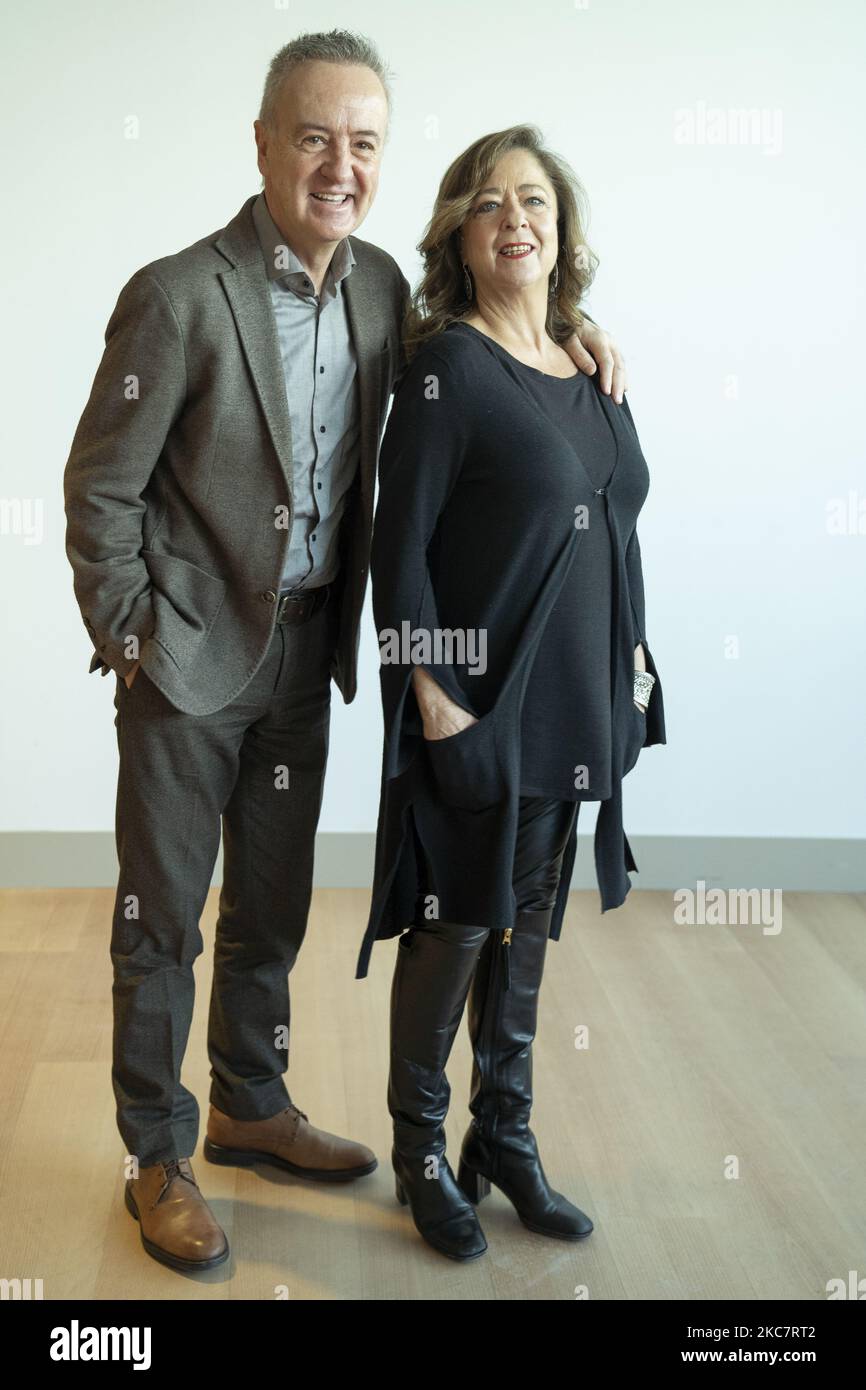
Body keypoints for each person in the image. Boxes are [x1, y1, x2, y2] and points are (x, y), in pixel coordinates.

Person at [63, 31, 625, 1274]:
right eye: (313, 136)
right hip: (187, 661)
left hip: (305, 654)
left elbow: (494, 355)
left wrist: (580, 338)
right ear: (262, 142)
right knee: (161, 922)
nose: (338, 164)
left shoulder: (379, 289)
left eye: (363, 143)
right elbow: (99, 489)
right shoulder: (177, 293)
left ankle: (248, 1104)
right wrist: (135, 637)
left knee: (268, 909)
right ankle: (155, 1154)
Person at [360, 124, 666, 1261]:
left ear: (561, 226)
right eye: (487, 203)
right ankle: (419, 1148)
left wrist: (631, 655)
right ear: (459, 234)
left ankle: (507, 1134)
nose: (514, 218)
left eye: (532, 199)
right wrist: (432, 694)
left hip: (576, 699)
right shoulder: (444, 367)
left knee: (525, 926)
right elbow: (402, 553)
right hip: (478, 701)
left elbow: (617, 525)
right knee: (453, 926)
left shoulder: (589, 366)